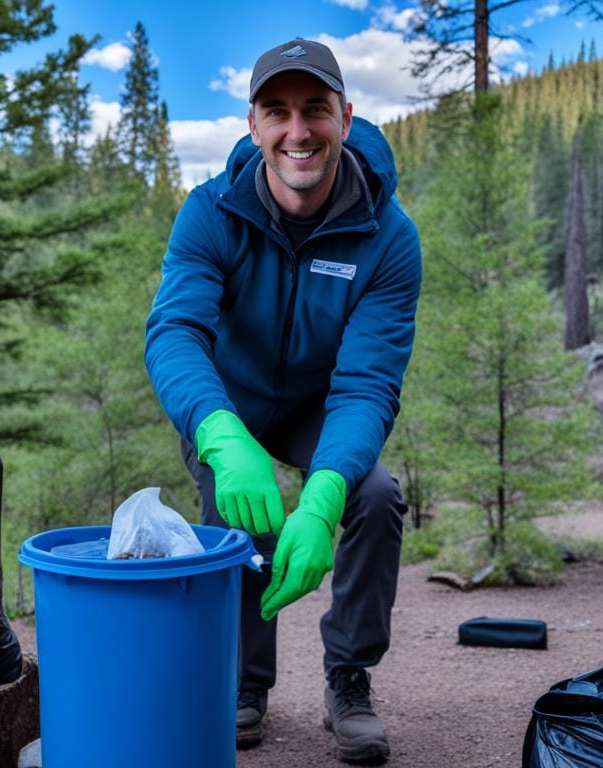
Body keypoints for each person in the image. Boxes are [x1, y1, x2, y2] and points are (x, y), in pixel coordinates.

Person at [144, 38, 421, 765]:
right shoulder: (210, 214)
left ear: (346, 116)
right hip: (226, 403)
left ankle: (348, 677)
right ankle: (243, 684)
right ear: (254, 124)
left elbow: (367, 382)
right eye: (278, 113)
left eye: (315, 111)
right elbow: (175, 333)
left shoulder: (389, 238)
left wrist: (325, 494)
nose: (298, 132)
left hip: (319, 405)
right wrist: (220, 434)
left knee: (376, 495)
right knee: (238, 511)